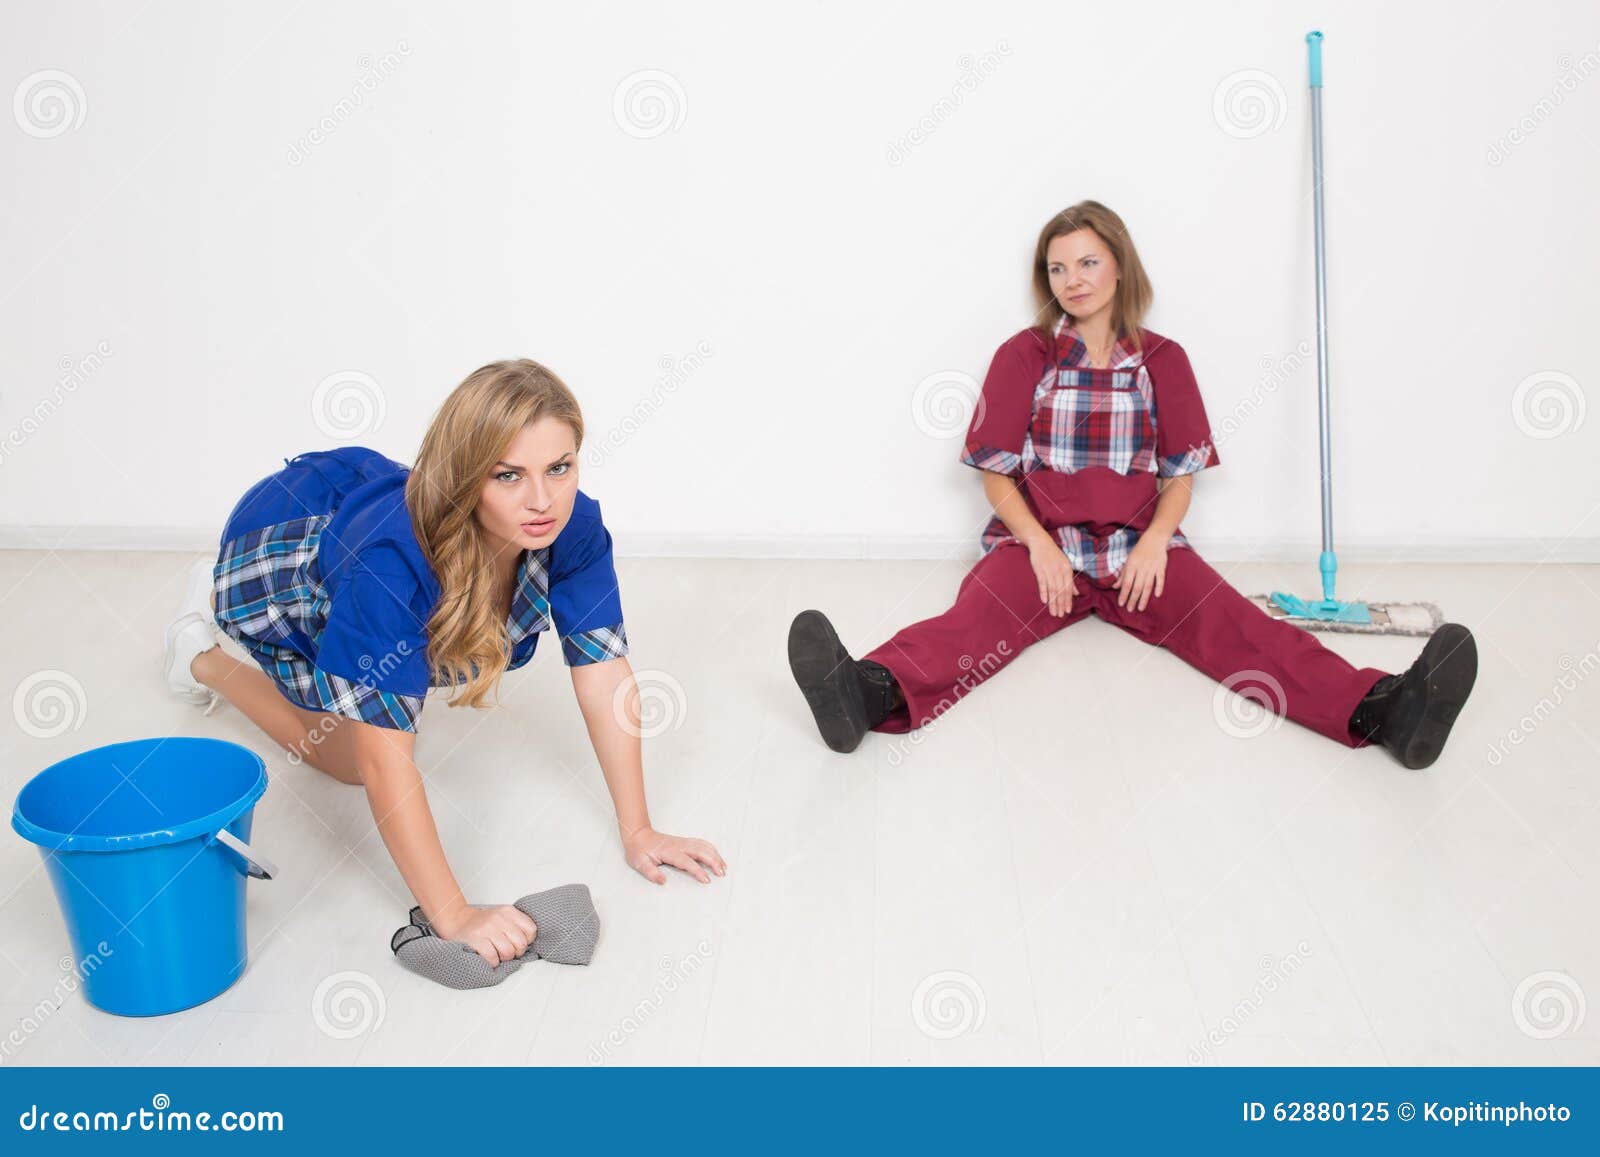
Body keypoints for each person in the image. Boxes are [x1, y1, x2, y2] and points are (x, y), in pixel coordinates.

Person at [787, 200, 1476, 769]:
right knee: (974, 622)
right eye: (1058, 268)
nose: (1073, 279)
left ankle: (1384, 710)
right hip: (1039, 547)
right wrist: (1039, 546)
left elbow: (1180, 477)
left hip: (1139, 550)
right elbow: (996, 473)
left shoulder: (1164, 361)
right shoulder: (1023, 354)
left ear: (1120, 265)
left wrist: (1153, 544)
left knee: (1236, 626)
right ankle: (866, 692)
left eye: (1088, 262)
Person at [162, 359, 725, 967]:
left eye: (559, 468)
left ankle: (207, 649)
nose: (543, 500)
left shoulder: (572, 524)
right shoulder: (389, 569)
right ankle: (200, 654)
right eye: (508, 475)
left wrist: (639, 830)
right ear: (464, 476)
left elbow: (604, 673)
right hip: (283, 557)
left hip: (368, 522)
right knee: (350, 763)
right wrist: (453, 914)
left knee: (371, 733)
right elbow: (383, 764)